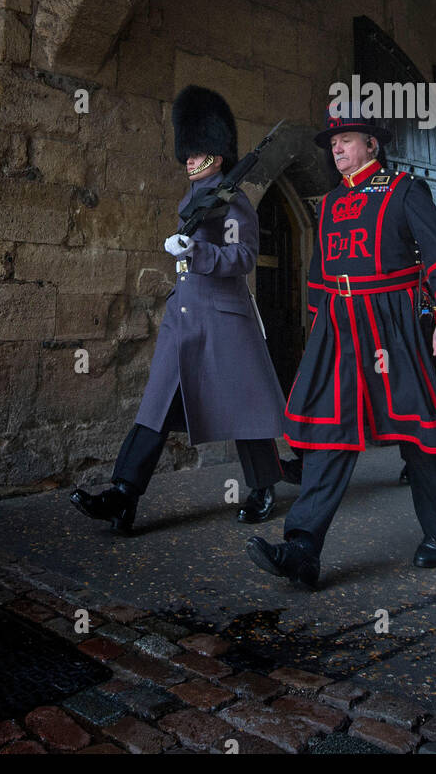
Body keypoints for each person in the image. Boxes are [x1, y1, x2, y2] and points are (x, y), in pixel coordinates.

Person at [245, 105, 436, 588]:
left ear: (372, 144)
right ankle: (302, 548)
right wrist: (317, 330)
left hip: (394, 322)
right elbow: (319, 274)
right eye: (333, 144)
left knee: (420, 433)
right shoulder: (332, 202)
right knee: (327, 435)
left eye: (346, 141)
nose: (336, 150)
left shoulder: (405, 190)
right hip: (340, 327)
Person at [70, 85, 291, 533]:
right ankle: (124, 495)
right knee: (154, 406)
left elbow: (244, 257)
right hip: (185, 317)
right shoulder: (191, 199)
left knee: (245, 407)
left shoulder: (234, 201)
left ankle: (264, 486)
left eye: (197, 153)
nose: (188, 161)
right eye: (186, 154)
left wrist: (198, 252)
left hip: (224, 318)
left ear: (217, 154)